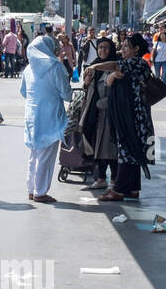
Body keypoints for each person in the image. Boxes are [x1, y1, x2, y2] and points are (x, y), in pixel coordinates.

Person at [91, 33, 155, 201]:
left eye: (126, 46)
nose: (123, 49)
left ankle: (118, 190)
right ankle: (133, 189)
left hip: (134, 117)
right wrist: (111, 77)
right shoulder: (131, 64)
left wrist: (95, 67)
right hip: (129, 114)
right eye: (123, 46)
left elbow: (114, 65)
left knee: (127, 149)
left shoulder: (137, 62)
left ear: (136, 49)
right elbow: (110, 81)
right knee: (132, 150)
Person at [21, 33, 73, 203]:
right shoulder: (56, 68)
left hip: (32, 116)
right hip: (50, 117)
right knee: (46, 156)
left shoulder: (28, 69)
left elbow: (23, 92)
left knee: (34, 155)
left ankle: (31, 189)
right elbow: (67, 95)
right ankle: (40, 192)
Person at [80, 37, 121, 190]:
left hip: (109, 113)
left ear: (111, 50)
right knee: (97, 146)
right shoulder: (93, 66)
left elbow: (115, 92)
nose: (102, 50)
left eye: (106, 47)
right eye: (100, 47)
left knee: (110, 148)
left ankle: (115, 179)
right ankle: (101, 178)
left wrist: (100, 103)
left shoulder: (114, 66)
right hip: (95, 114)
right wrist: (86, 83)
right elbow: (87, 89)